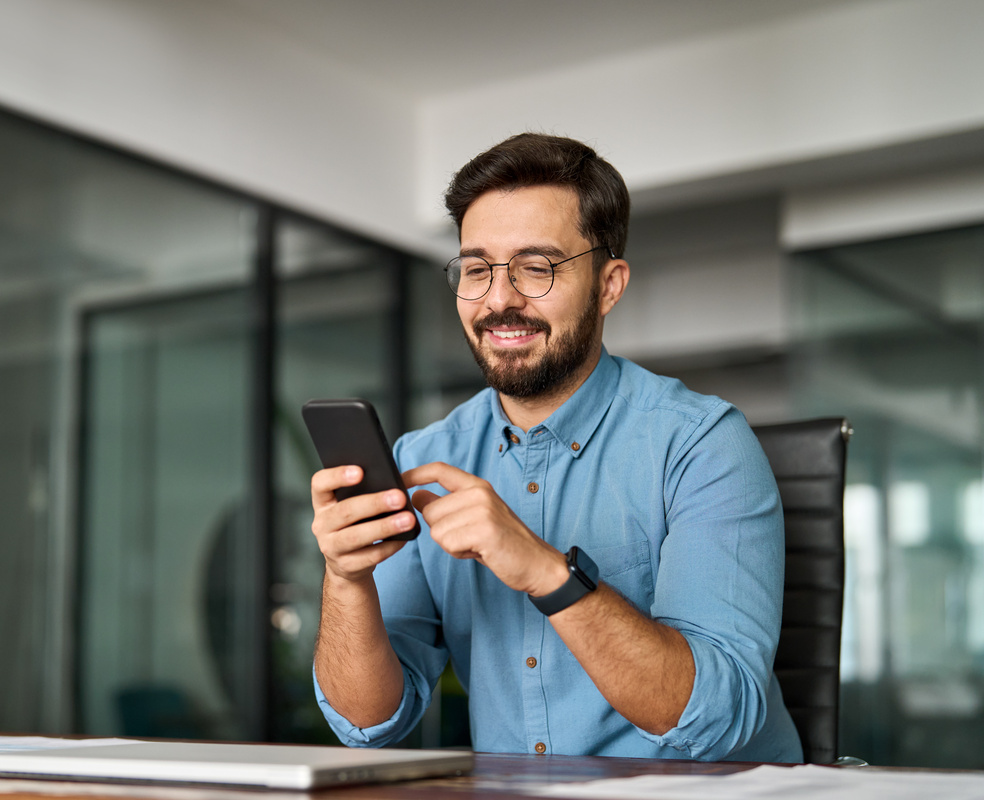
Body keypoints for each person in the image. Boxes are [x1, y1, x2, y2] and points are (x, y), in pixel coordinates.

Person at [309, 133, 802, 762]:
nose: (499, 299)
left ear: (609, 285)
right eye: (478, 269)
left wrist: (545, 570)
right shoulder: (423, 457)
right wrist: (346, 578)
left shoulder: (702, 444)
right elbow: (370, 724)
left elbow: (717, 717)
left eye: (536, 268)